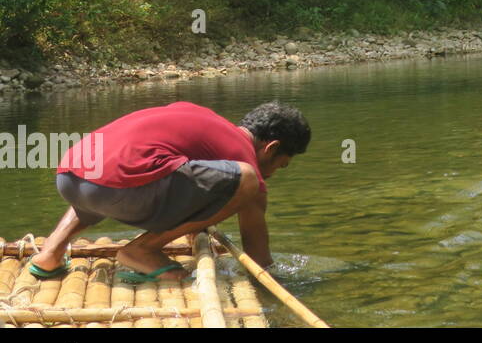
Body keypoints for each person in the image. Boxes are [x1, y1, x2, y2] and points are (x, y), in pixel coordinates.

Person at [28, 101, 310, 282]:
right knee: (247, 180)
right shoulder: (246, 159)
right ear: (271, 148)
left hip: (69, 176)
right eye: (279, 166)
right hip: (119, 191)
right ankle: (143, 250)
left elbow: (186, 180)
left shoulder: (198, 114)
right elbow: (258, 258)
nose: (271, 175)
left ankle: (51, 252)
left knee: (108, 168)